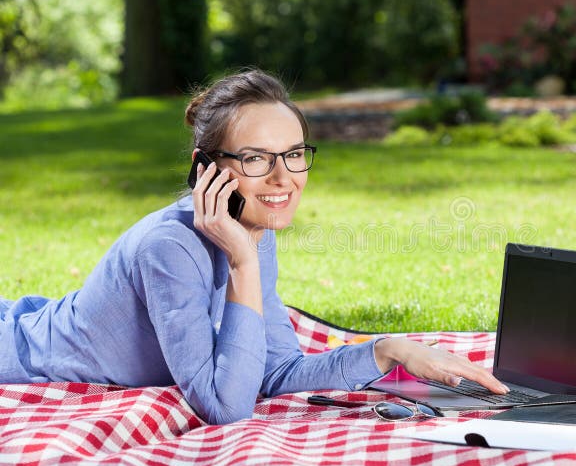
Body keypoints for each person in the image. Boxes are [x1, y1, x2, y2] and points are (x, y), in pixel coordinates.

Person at [0, 69, 508, 425]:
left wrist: (387, 352)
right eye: (256, 159)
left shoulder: (251, 227)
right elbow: (226, 404)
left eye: (293, 154)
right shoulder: (173, 248)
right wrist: (242, 259)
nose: (284, 178)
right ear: (207, 168)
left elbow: (276, 371)